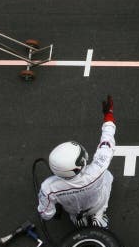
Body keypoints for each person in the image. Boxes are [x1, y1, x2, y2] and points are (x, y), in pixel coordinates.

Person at [38, 95, 117, 228]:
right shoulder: (97, 170)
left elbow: (46, 214)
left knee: (75, 216)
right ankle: (98, 216)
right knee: (108, 175)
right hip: (96, 204)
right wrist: (108, 115)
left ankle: (79, 221)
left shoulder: (48, 187)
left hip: (74, 212)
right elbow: (107, 142)